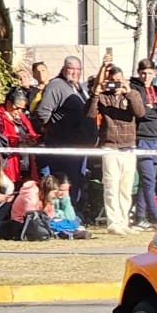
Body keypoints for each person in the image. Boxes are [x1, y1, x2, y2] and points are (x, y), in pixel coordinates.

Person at [86, 64, 145, 236]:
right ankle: (113, 222)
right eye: (112, 81)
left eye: (119, 81)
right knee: (111, 185)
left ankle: (124, 220)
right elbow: (89, 114)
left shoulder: (132, 93)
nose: (116, 84)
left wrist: (128, 93)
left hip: (129, 145)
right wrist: (96, 94)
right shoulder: (103, 97)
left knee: (126, 187)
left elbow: (140, 113)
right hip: (110, 146)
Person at [33, 56, 96, 205]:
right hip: (62, 146)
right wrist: (57, 129)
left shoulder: (79, 88)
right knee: (63, 184)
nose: (74, 72)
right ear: (63, 69)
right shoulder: (56, 85)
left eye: (77, 69)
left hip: (79, 146)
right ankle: (60, 217)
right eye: (71, 69)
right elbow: (42, 113)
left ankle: (73, 215)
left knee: (75, 183)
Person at [130, 59, 157, 229]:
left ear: (155, 73)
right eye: (143, 73)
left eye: (149, 73)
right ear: (138, 72)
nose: (146, 76)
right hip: (142, 137)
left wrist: (154, 108)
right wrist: (153, 110)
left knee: (149, 180)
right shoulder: (135, 89)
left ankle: (140, 216)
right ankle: (155, 217)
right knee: (148, 179)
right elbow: (141, 113)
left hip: (156, 138)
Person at [0, 87, 39, 183]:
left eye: (22, 109)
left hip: (25, 159)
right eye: (17, 107)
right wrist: (20, 139)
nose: (19, 111)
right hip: (9, 160)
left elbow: (30, 132)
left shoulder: (21, 117)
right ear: (9, 103)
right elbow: (1, 136)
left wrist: (32, 139)